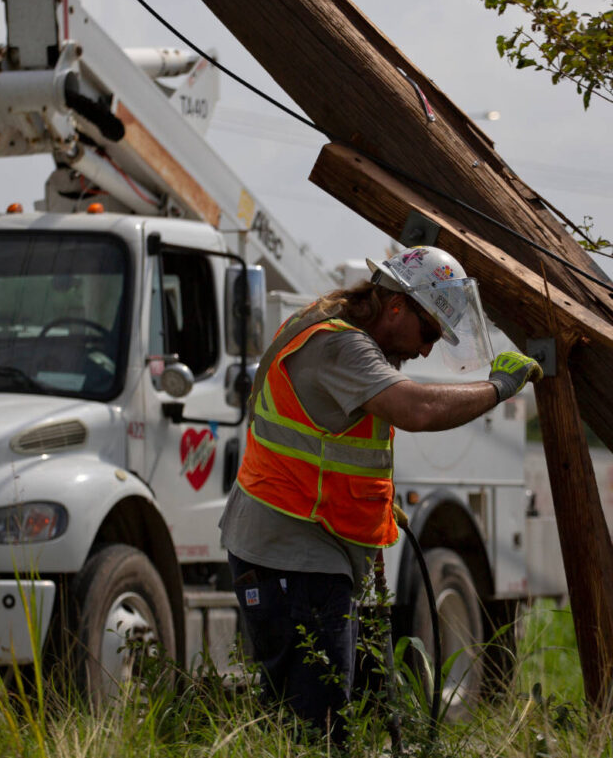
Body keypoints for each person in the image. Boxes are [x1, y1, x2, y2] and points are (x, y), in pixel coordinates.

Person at [219, 245, 541, 743]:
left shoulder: (332, 325)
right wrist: (498, 387)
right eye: (429, 332)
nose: (427, 351)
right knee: (319, 728)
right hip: (292, 550)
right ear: (396, 306)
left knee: (328, 718)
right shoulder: (340, 345)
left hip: (305, 545)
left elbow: (334, 445)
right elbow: (416, 410)